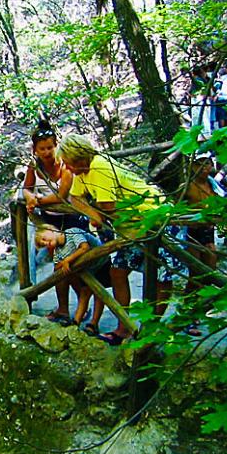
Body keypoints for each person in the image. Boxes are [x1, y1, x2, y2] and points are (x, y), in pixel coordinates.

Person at [56, 134, 183, 345]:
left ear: (78, 157)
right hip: (130, 227)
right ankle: (124, 326)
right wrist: (93, 215)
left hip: (153, 218)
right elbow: (74, 198)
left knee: (161, 275)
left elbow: (109, 208)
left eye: (68, 163)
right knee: (118, 271)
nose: (67, 169)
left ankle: (151, 328)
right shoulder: (82, 171)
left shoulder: (99, 167)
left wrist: (96, 213)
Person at [21, 120, 85, 322]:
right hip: (50, 221)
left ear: (56, 145)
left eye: (50, 147)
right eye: (42, 149)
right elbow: (26, 187)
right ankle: (64, 309)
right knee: (58, 265)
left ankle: (83, 302)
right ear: (35, 149)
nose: (47, 152)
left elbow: (62, 195)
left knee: (74, 265)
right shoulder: (34, 165)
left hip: (71, 218)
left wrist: (37, 201)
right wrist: (29, 198)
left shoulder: (65, 164)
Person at [35, 225, 109, 335]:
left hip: (101, 262)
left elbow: (85, 247)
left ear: (51, 230)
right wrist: (61, 265)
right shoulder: (58, 251)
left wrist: (67, 260)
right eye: (43, 244)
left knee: (99, 294)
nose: (46, 243)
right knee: (85, 292)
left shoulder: (72, 232)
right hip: (88, 268)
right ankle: (76, 322)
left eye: (44, 239)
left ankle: (94, 323)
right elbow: (57, 266)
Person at [183, 153, 225, 335]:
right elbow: (177, 208)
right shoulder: (186, 186)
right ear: (193, 166)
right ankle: (186, 318)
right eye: (201, 164)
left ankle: (198, 309)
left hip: (209, 232)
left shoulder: (213, 185)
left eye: (208, 164)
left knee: (210, 272)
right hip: (191, 233)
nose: (206, 168)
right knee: (196, 275)